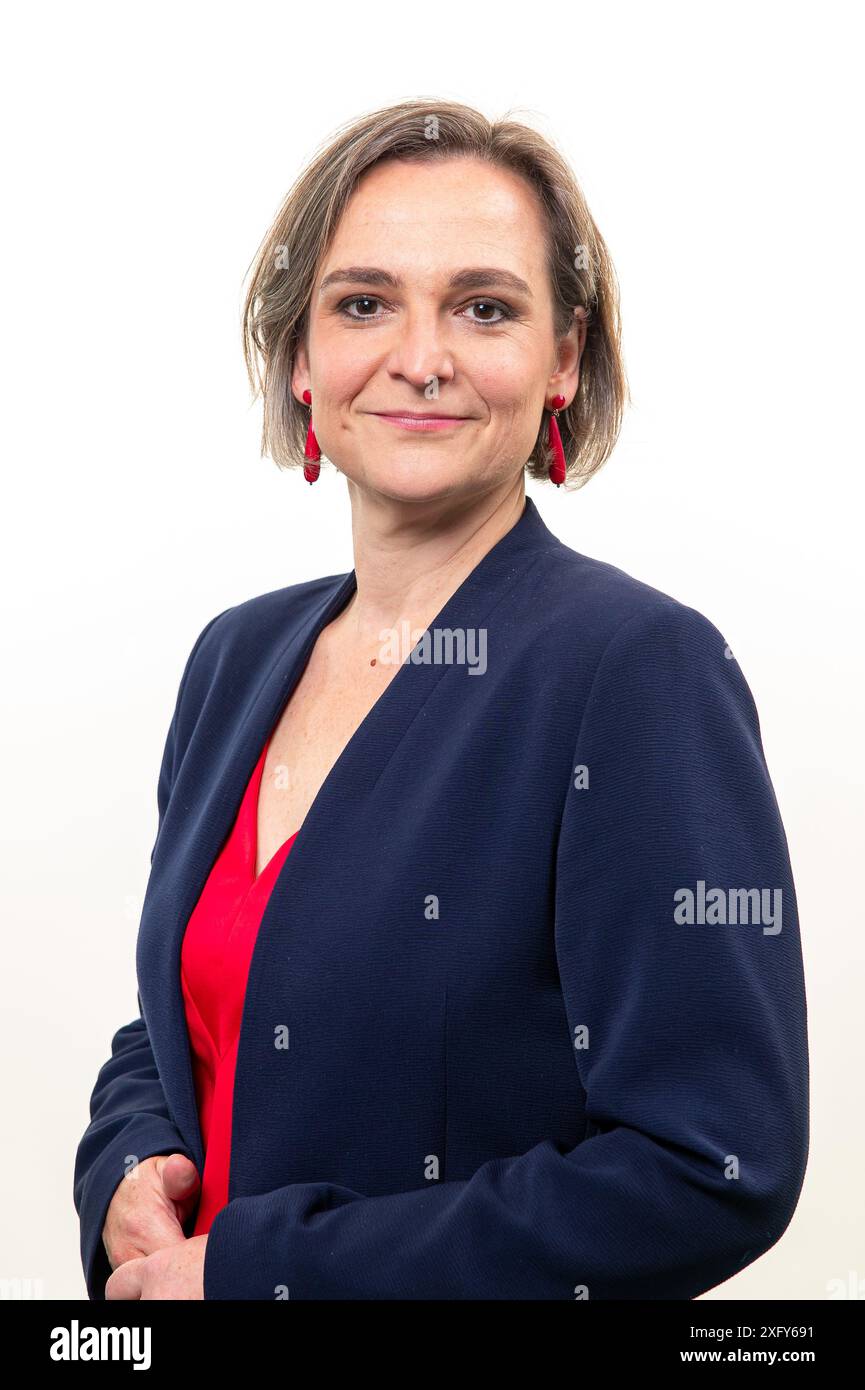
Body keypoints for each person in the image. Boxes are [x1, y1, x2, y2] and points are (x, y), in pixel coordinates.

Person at [73, 98, 809, 1301]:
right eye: (364, 302)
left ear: (564, 357)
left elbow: (706, 1163)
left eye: (485, 307)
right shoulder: (236, 657)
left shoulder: (635, 671)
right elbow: (195, 1009)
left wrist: (270, 1274)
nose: (422, 356)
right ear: (302, 357)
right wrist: (127, 1160)